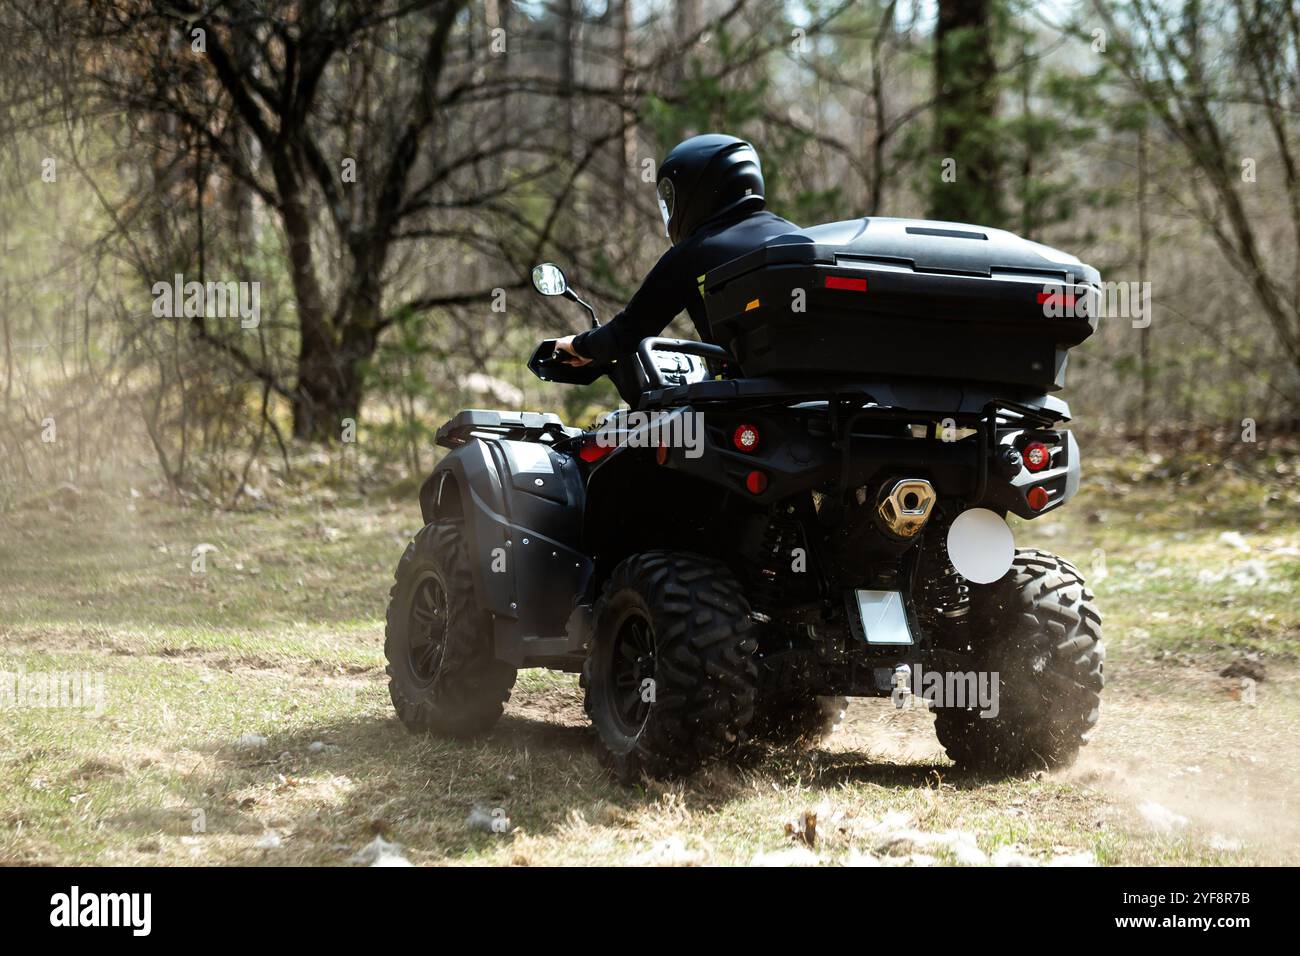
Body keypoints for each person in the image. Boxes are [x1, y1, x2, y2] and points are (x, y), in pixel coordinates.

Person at [554, 134, 796, 375]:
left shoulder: (693, 253)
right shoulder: (799, 236)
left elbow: (629, 332)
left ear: (698, 190)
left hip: (748, 400)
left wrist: (579, 346)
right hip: (821, 399)